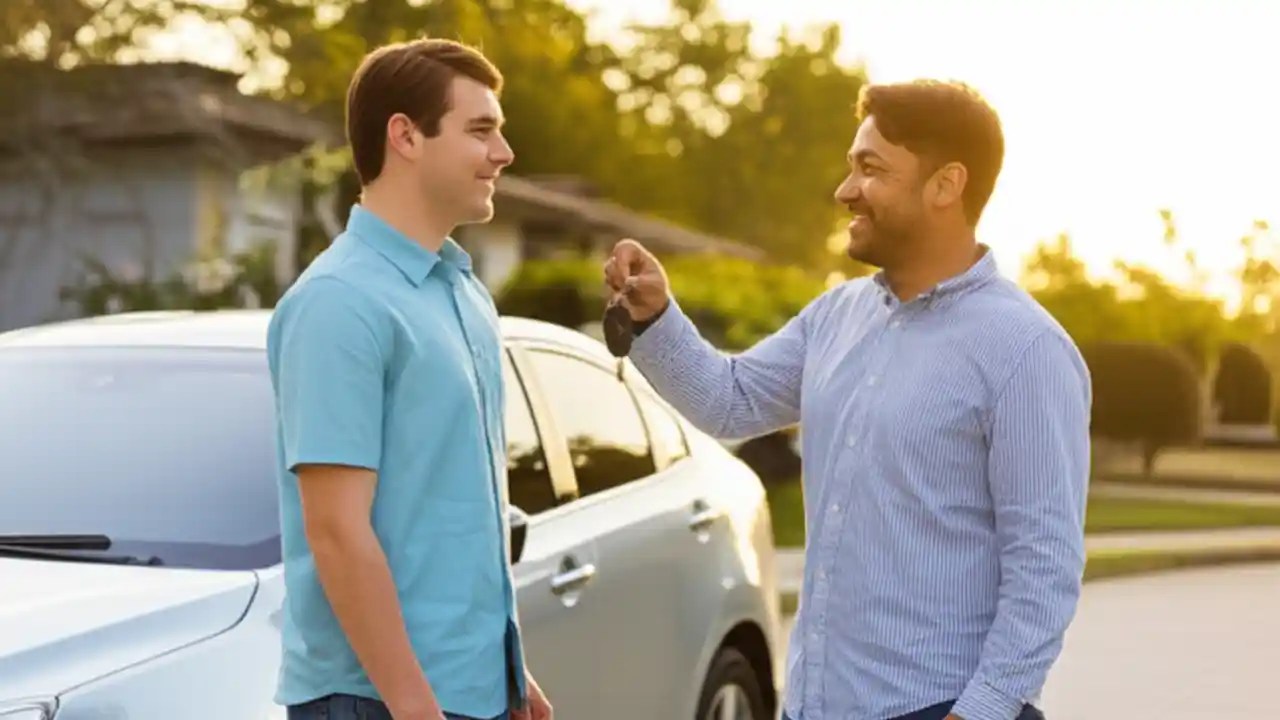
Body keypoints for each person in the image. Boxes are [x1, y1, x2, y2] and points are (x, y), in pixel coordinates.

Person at [604, 79, 1090, 720]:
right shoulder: (837, 314)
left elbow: (1045, 563)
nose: (845, 190)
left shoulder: (1026, 350)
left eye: (871, 169)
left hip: (936, 706)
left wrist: (983, 711)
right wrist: (656, 318)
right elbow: (731, 400)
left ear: (946, 186)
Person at [267, 38, 552, 720]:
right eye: (481, 130)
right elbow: (336, 531)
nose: (504, 154)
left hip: (467, 691)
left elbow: (443, 511)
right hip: (377, 701)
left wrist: (509, 674)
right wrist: (413, 704)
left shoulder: (462, 292)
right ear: (405, 136)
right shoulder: (339, 303)